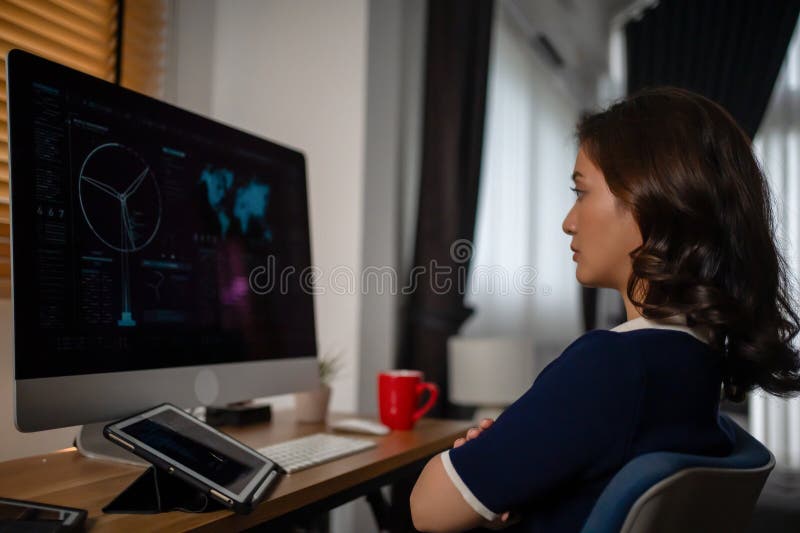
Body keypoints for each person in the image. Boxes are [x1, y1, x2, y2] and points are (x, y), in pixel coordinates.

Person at [409, 86, 800, 533]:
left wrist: (489, 455)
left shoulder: (612, 365)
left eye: (580, 192)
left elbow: (429, 509)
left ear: (649, 199)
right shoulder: (696, 362)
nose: (568, 222)